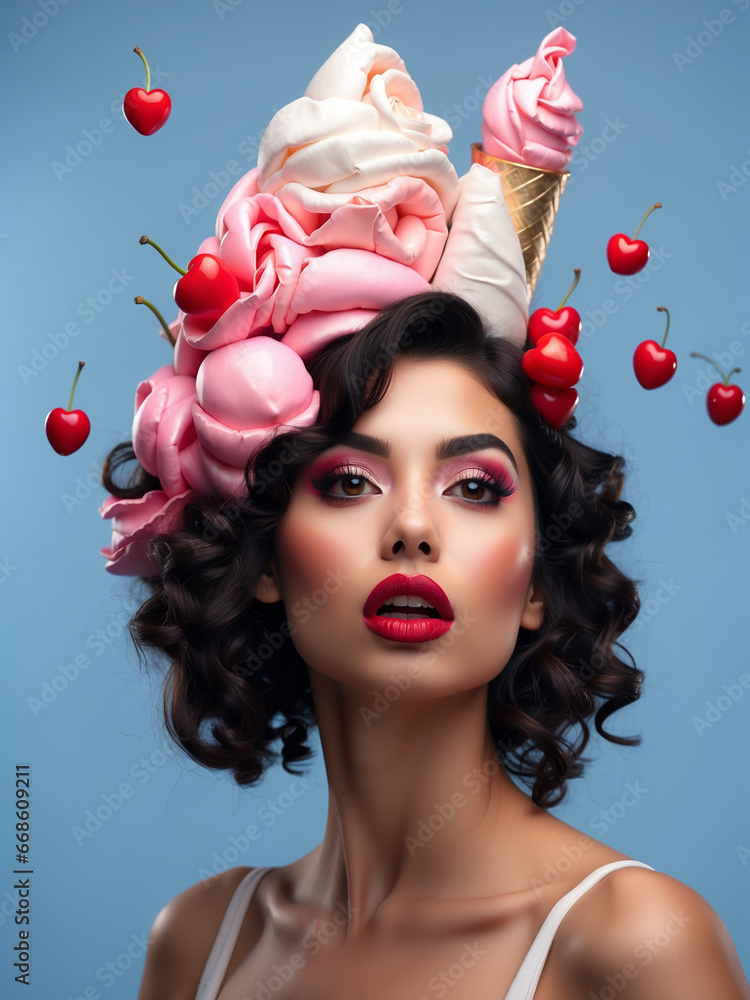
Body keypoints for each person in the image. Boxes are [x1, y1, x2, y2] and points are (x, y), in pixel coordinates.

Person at [102, 291, 749, 999]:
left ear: (536, 579)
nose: (412, 527)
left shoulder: (637, 946)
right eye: (350, 482)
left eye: (473, 488)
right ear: (264, 560)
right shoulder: (200, 945)